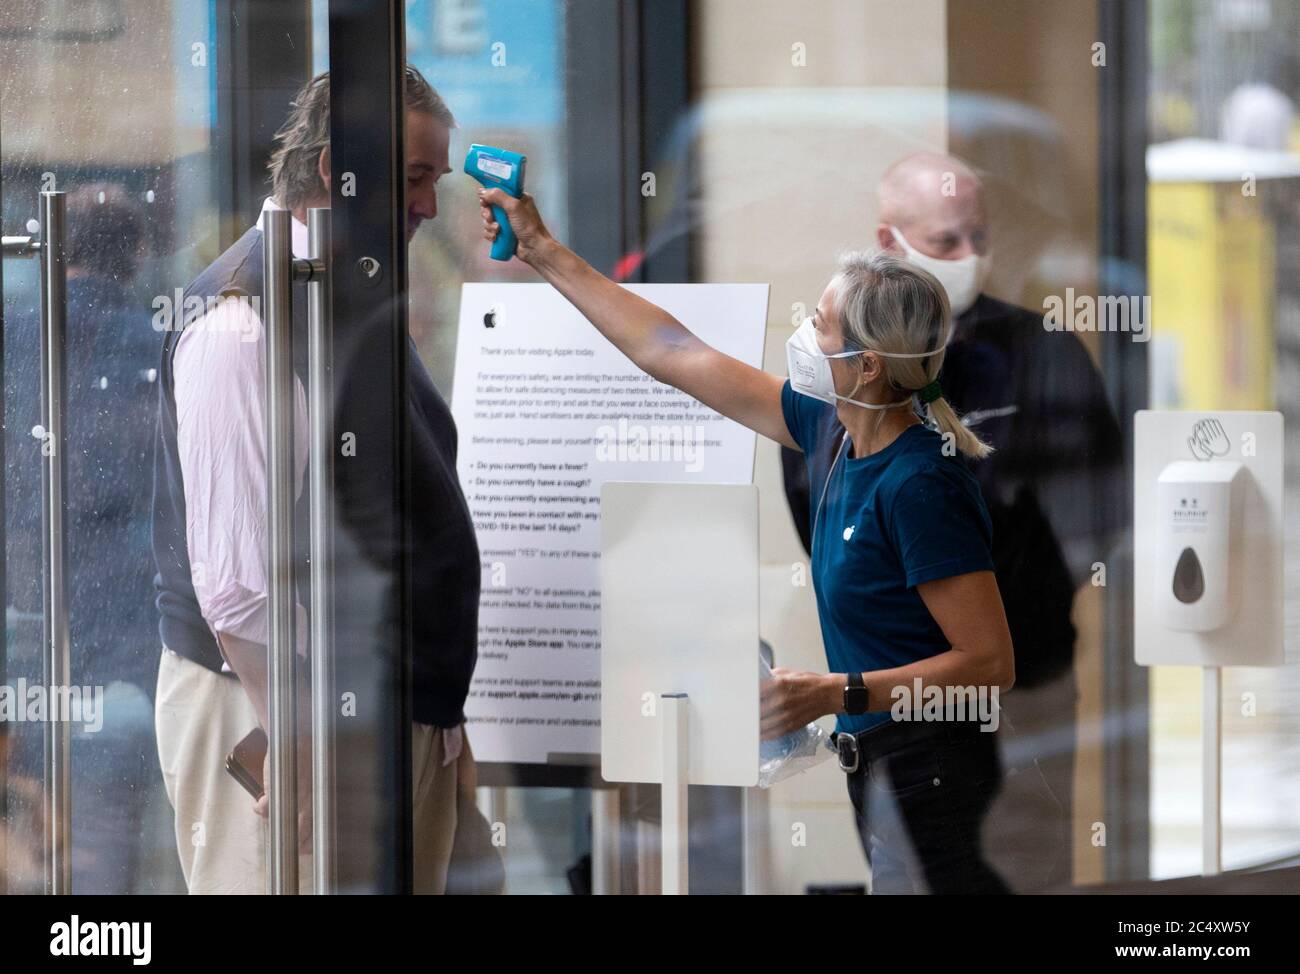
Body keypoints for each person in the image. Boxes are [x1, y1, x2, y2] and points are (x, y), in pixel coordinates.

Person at [477, 186, 1016, 894]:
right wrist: (540, 248)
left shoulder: (919, 483)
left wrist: (834, 690)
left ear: (869, 365)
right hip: (881, 767)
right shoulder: (832, 433)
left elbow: (989, 661)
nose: (804, 335)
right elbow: (670, 349)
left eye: (819, 325)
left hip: (933, 777)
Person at [151, 66, 480, 894]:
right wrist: (297, 737)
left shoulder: (348, 289)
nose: (428, 206)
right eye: (413, 178)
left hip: (370, 710)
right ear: (339, 169)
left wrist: (440, 716)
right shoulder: (241, 321)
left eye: (434, 181)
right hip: (281, 712)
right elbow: (235, 584)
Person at [873, 152, 1123, 889]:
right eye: (947, 241)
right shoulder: (858, 365)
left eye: (979, 238)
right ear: (890, 242)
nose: (971, 258)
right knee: (914, 870)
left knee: (1029, 866)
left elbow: (1098, 514)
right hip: (902, 686)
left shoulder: (1041, 351)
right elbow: (821, 502)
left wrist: (1003, 603)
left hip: (1028, 676)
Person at [4, 183, 163, 892]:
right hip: (133, 646)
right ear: (138, 254)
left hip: (30, 641)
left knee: (32, 837)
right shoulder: (162, 345)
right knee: (102, 840)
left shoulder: (16, 340)